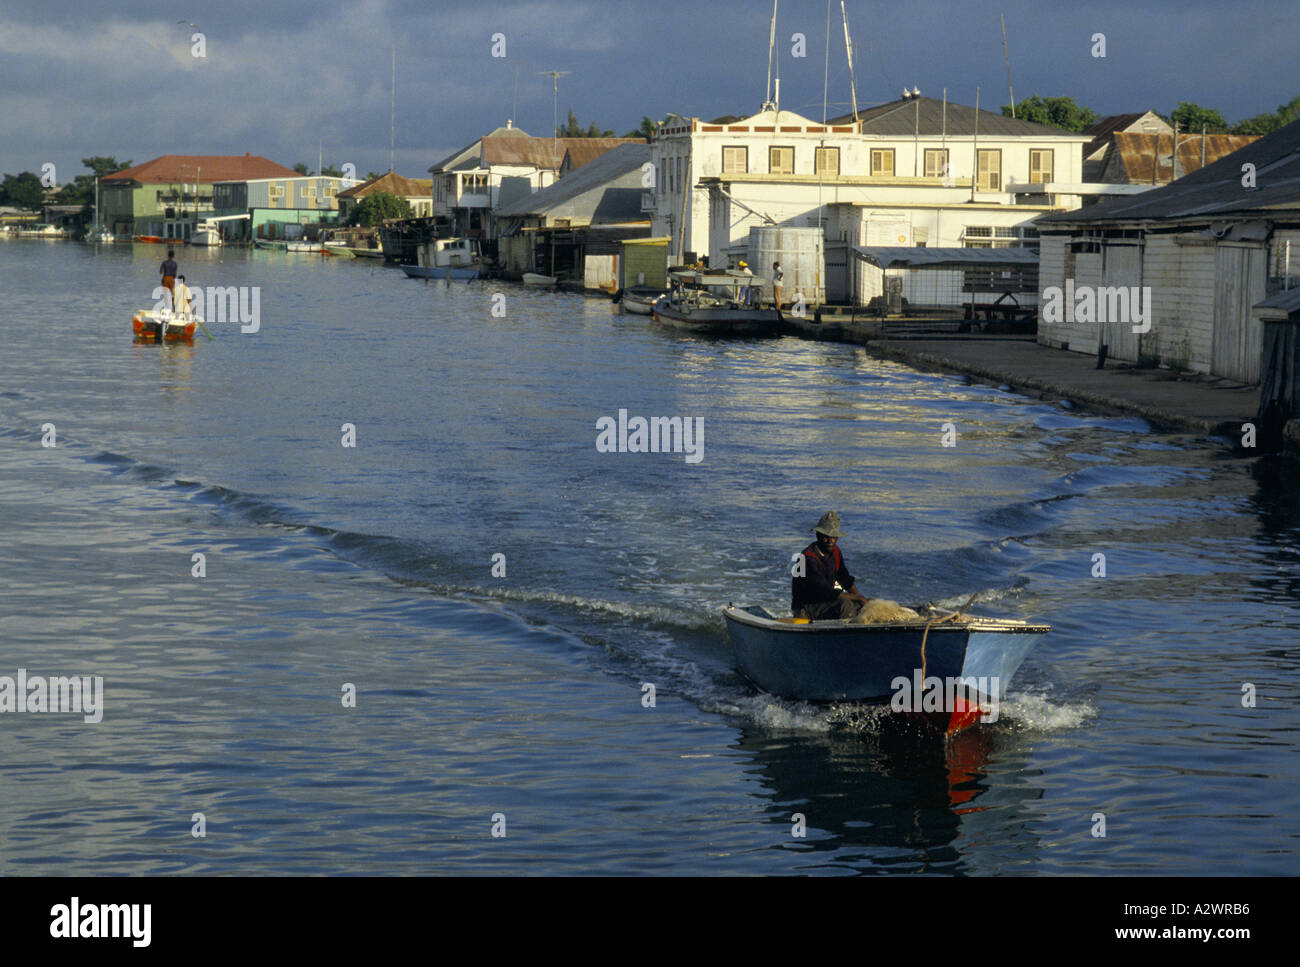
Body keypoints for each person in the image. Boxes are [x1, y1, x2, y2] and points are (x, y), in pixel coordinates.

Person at [791, 511, 870, 620]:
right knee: (846, 605)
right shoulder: (807, 558)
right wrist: (856, 598)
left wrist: (861, 599)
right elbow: (824, 590)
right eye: (826, 537)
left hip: (826, 601)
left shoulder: (836, 552)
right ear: (818, 536)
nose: (830, 541)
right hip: (806, 607)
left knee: (867, 604)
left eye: (834, 537)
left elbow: (845, 579)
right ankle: (845, 635)